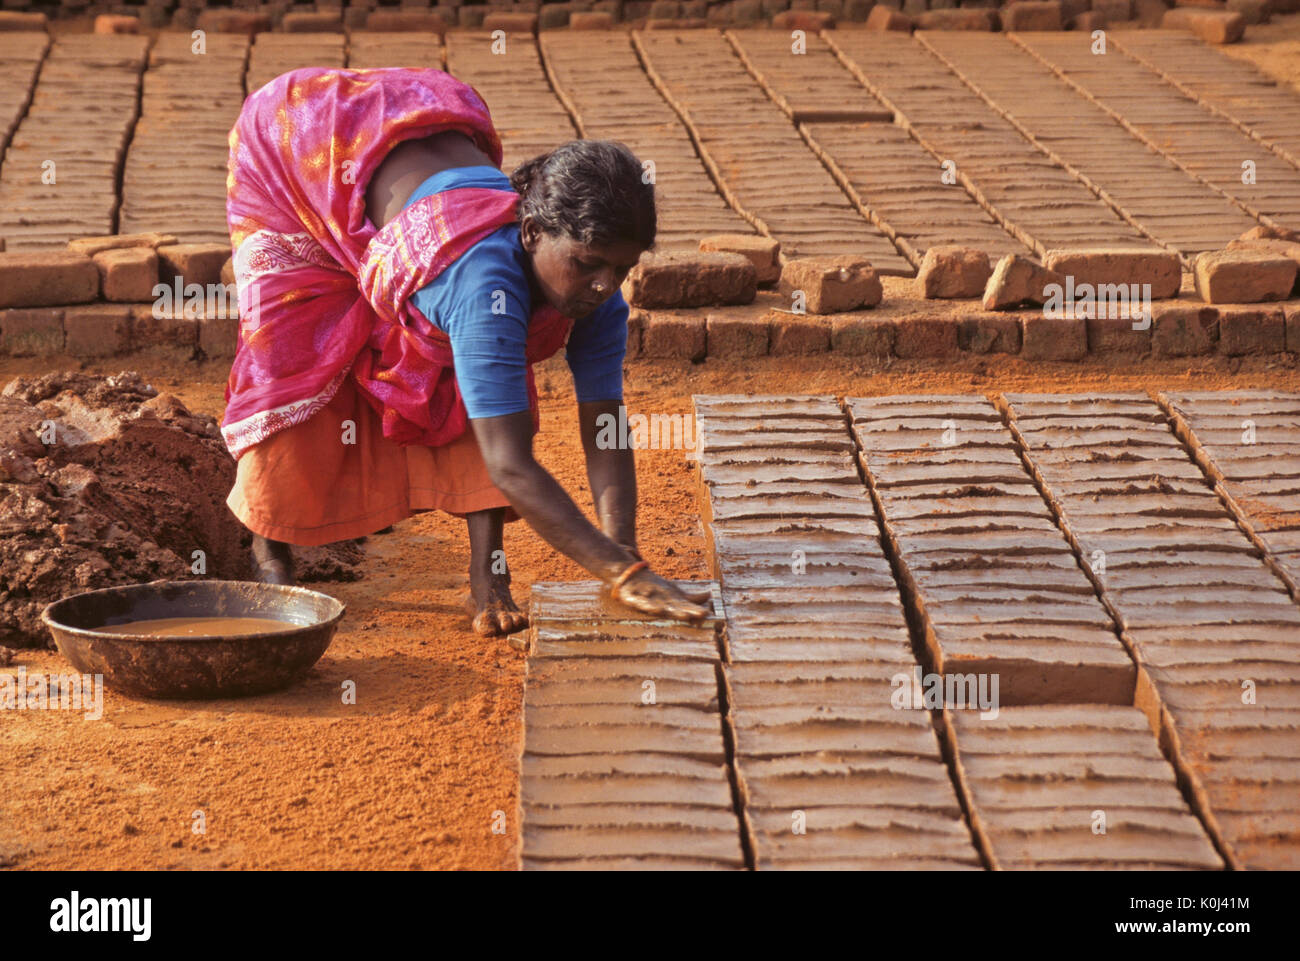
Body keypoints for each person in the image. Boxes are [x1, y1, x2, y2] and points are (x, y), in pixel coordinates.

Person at [220, 67, 710, 638]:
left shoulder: (596, 291)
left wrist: (627, 556)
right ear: (531, 234)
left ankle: (487, 575)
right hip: (301, 146)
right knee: (293, 354)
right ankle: (270, 557)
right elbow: (510, 462)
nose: (606, 284)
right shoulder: (483, 290)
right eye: (587, 263)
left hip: (407, 127)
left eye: (622, 268)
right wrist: (619, 573)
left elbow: (606, 424)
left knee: (474, 377)